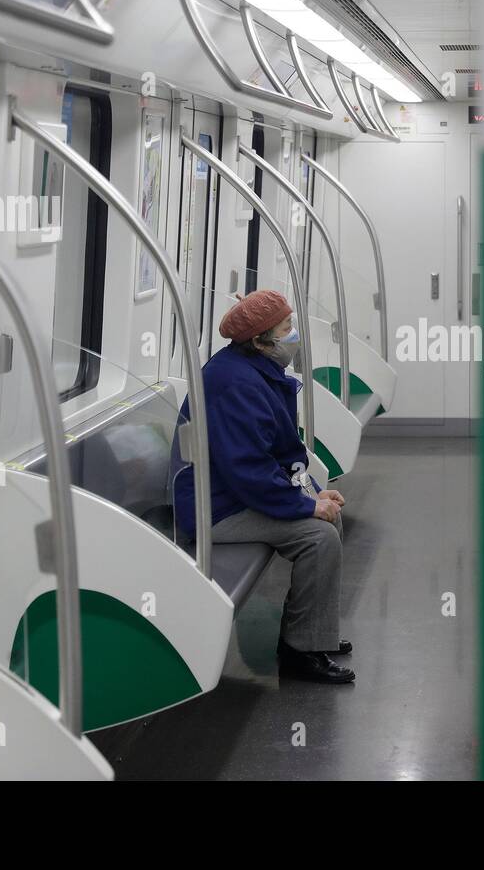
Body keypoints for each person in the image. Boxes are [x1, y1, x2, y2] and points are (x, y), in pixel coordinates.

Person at [171, 289, 354, 684]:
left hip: (236, 493)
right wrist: (305, 507)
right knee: (318, 537)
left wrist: (310, 494)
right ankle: (299, 653)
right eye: (286, 329)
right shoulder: (235, 384)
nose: (294, 336)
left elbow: (275, 451)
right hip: (214, 508)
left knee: (330, 521)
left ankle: (312, 634)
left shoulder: (255, 371)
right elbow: (249, 469)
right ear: (259, 341)